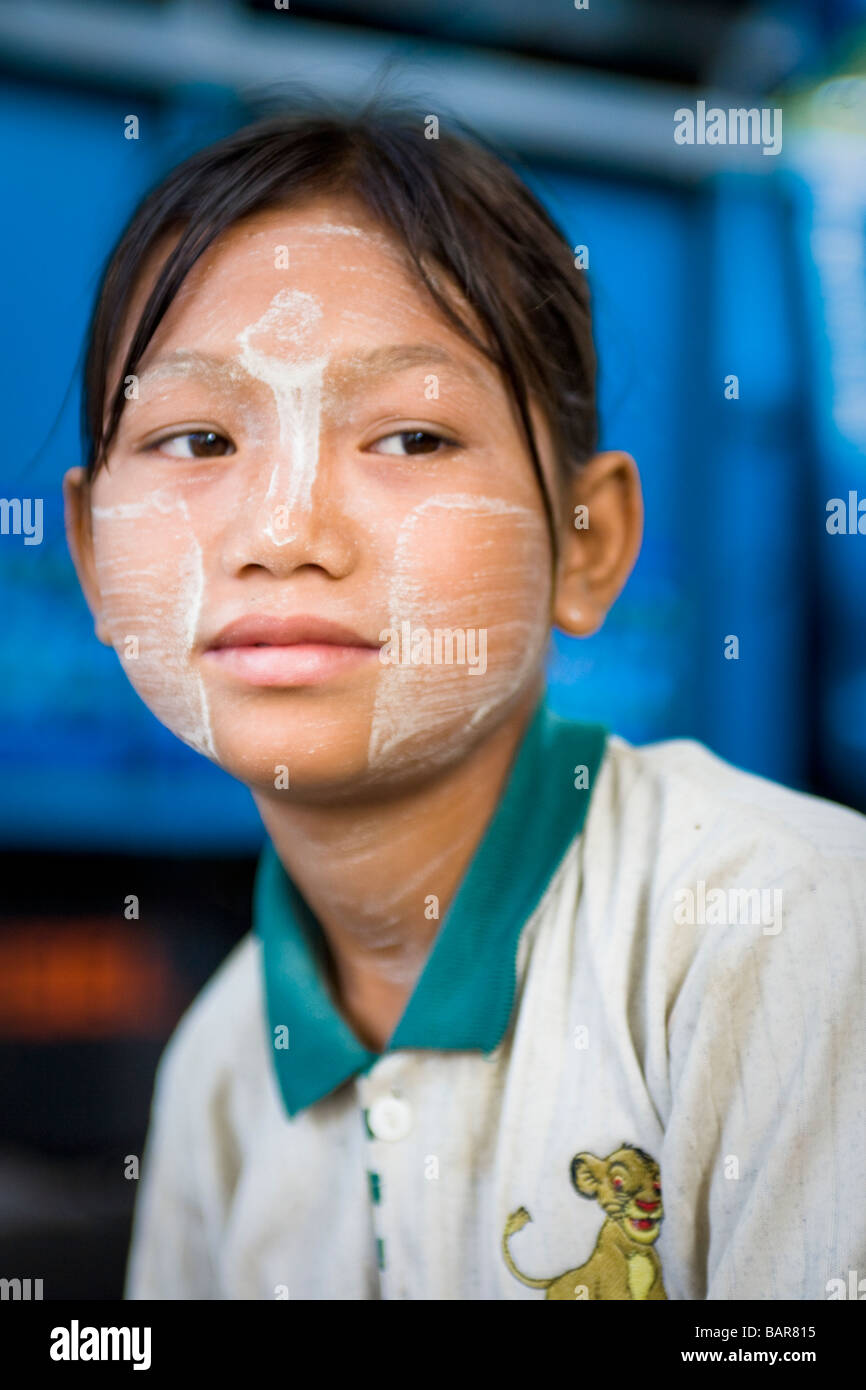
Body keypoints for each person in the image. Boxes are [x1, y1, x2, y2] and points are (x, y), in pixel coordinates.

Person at [64, 100, 866, 1300]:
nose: (282, 532)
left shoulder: (781, 935)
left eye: (409, 438)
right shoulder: (222, 1073)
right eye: (194, 439)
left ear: (586, 544)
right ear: (88, 554)